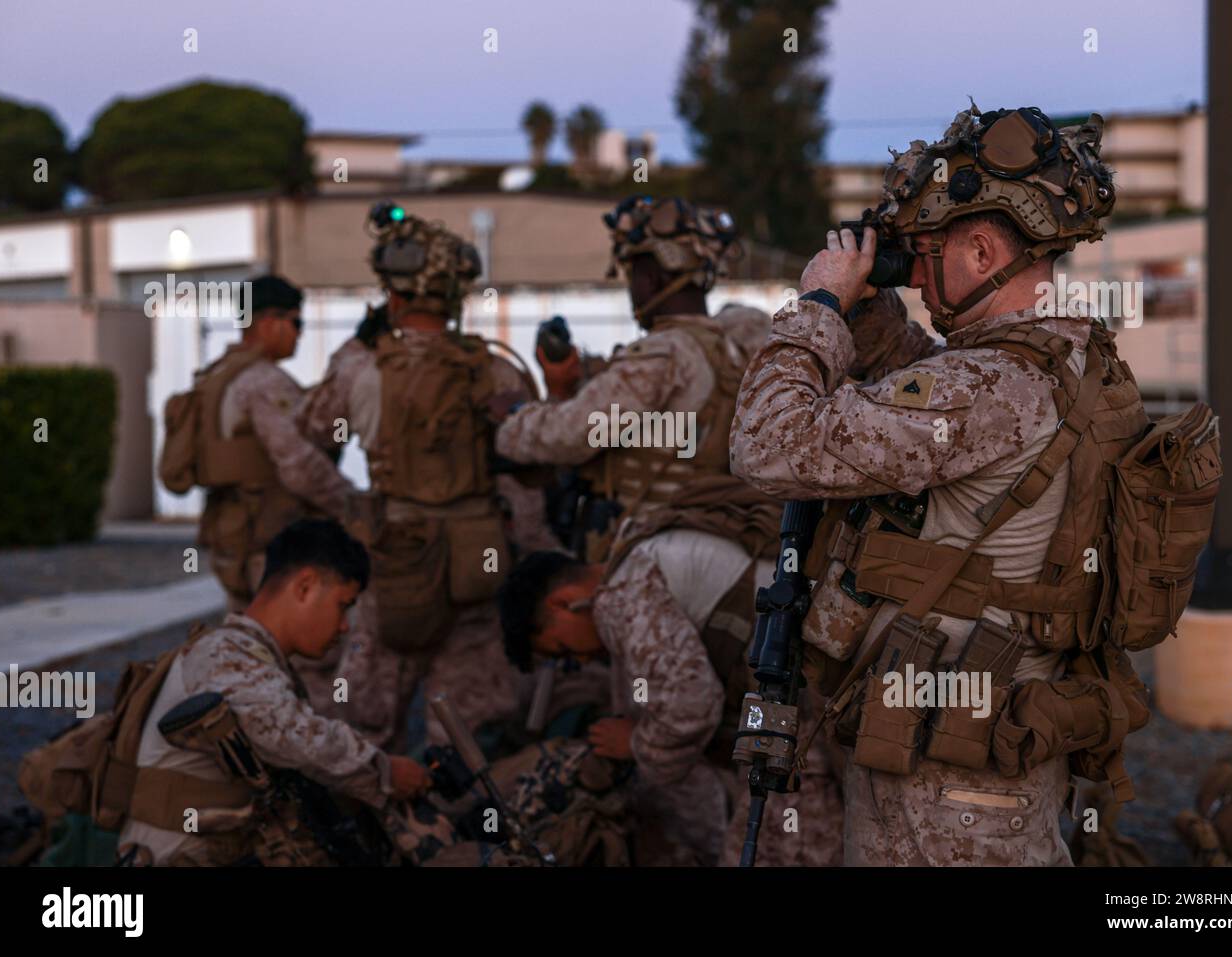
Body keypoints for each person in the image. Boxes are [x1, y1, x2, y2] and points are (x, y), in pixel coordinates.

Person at [729, 105, 1153, 866]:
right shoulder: (1074, 362)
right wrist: (875, 316)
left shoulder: (981, 386)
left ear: (985, 249)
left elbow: (767, 445)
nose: (919, 273)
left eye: (930, 253)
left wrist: (818, 306)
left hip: (941, 787)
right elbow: (930, 397)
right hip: (1000, 745)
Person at [496, 475, 844, 867]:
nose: (580, 661)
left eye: (561, 650)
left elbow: (690, 704)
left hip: (805, 708)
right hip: (812, 687)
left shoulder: (620, 597)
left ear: (563, 603)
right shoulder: (635, 548)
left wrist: (635, 744)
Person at [297, 209, 539, 748]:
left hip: (395, 565)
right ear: (455, 299)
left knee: (363, 723)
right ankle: (466, 822)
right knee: (471, 731)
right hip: (480, 562)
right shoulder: (496, 369)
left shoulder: (360, 369)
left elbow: (312, 432)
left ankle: (379, 819)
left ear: (394, 297)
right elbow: (533, 464)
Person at [118, 519, 428, 866]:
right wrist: (383, 772)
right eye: (343, 605)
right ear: (305, 586)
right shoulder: (224, 652)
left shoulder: (252, 657)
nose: (344, 626)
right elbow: (291, 735)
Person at [494, 196, 764, 562]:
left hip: (650, 547)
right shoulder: (737, 343)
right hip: (716, 540)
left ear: (651, 278)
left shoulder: (662, 354)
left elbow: (575, 434)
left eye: (633, 275)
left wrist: (514, 419)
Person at [163, 274, 361, 611]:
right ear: (269, 322)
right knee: (304, 656)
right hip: (270, 539)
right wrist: (355, 508)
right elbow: (299, 466)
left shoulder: (215, 375)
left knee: (248, 641)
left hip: (233, 537)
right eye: (296, 322)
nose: (300, 333)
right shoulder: (264, 382)